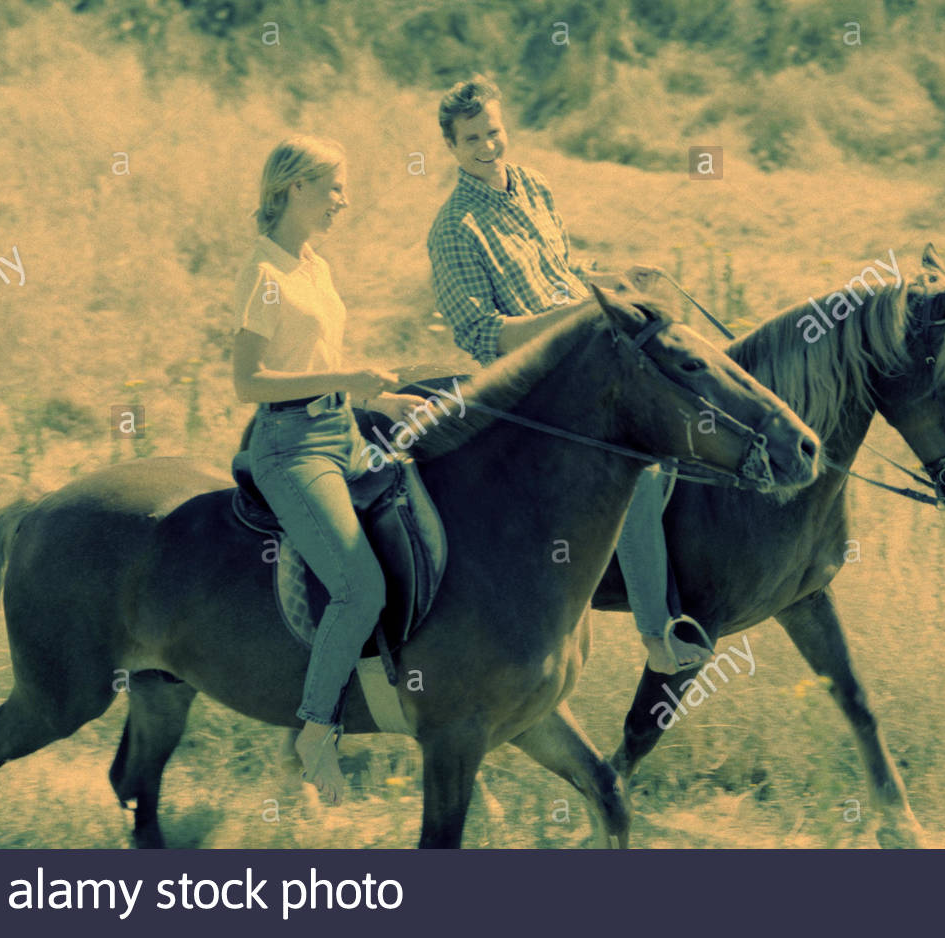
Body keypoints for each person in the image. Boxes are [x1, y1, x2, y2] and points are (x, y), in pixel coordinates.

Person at [426, 76, 714, 675]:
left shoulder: (534, 186)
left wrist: (612, 278)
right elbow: (482, 332)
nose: (488, 145)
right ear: (452, 146)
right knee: (636, 463)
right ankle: (658, 636)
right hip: (533, 386)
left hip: (589, 345)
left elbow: (564, 266)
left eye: (495, 132)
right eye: (473, 137)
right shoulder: (454, 228)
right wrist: (575, 316)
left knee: (689, 383)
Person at [232, 135, 424, 802]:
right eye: (335, 187)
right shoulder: (264, 274)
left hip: (340, 428)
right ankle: (317, 729)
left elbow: (318, 355)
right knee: (360, 585)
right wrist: (347, 375)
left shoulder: (314, 265)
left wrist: (379, 398)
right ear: (296, 189)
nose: (345, 199)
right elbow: (249, 382)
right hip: (291, 448)